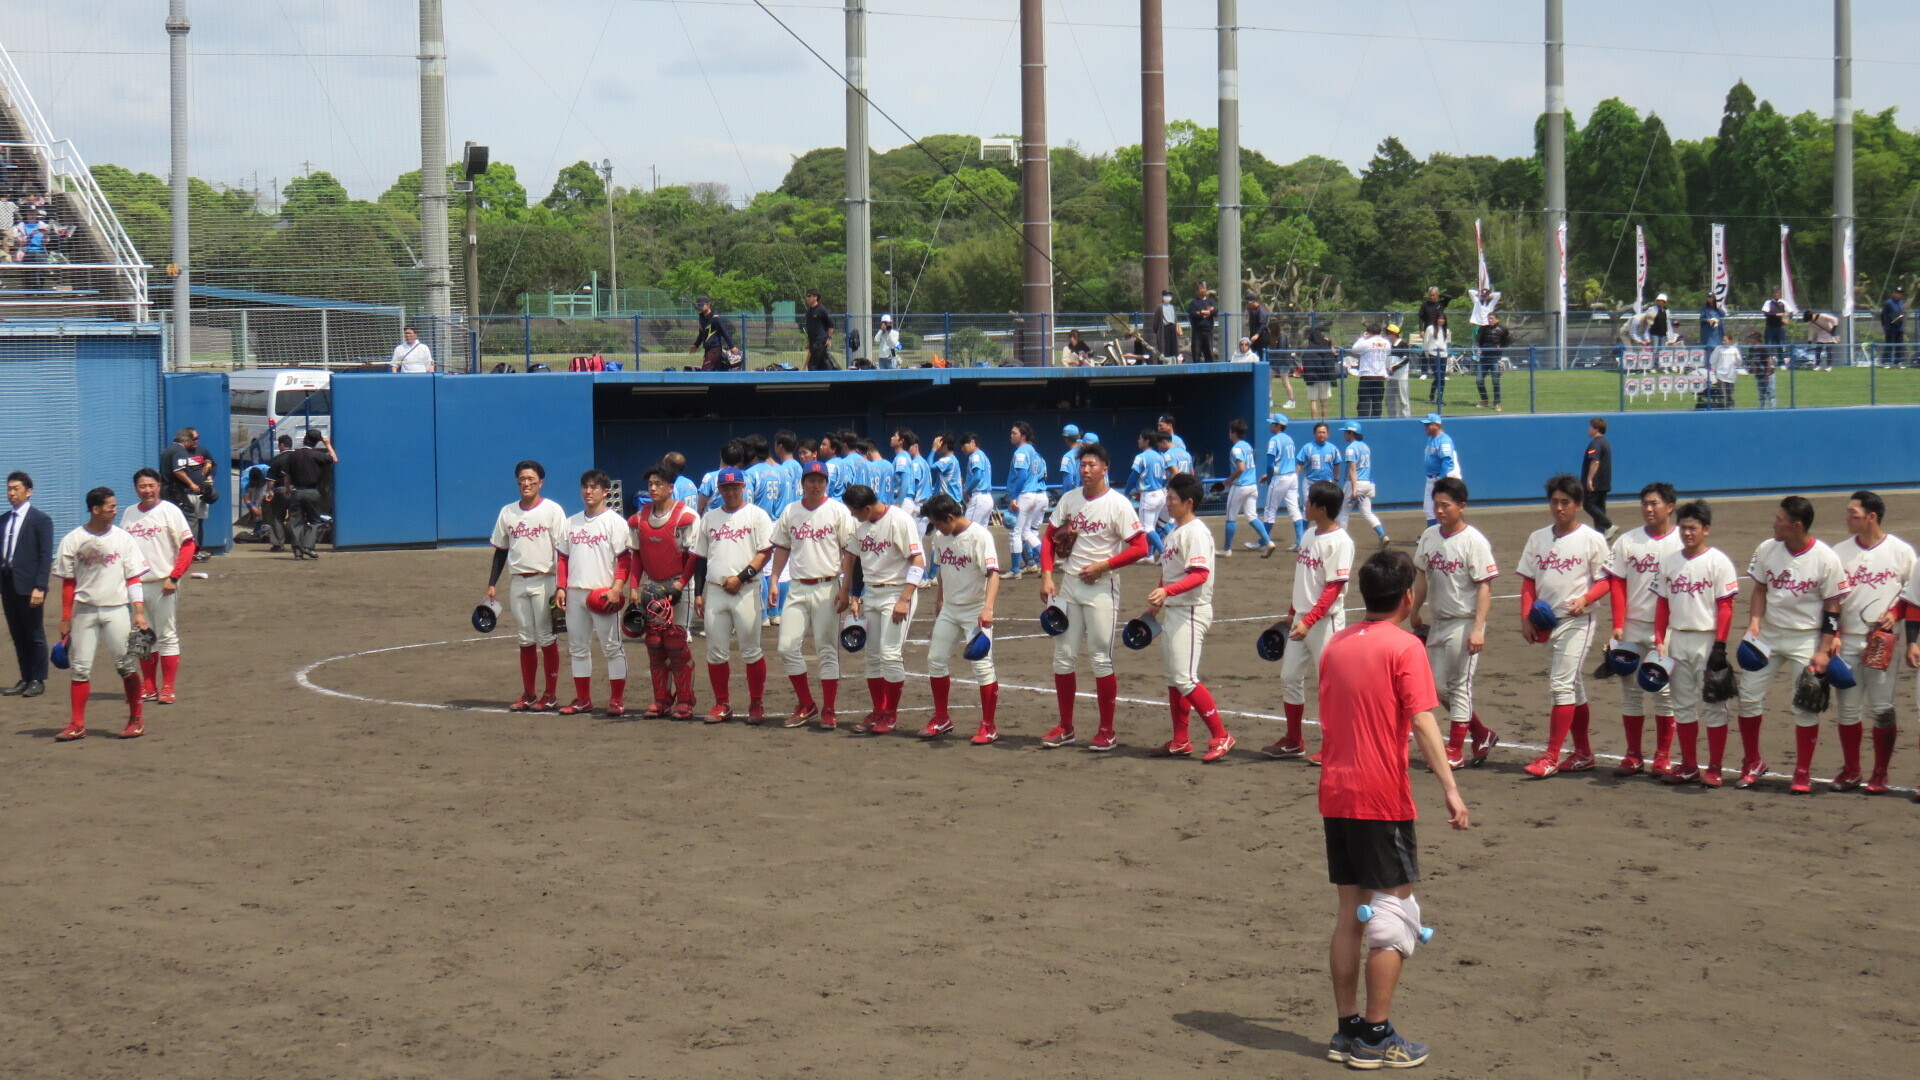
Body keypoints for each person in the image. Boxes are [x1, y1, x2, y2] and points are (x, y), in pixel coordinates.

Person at [1317, 549, 1470, 1070]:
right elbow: (1425, 724)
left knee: (1349, 913)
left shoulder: (1336, 645)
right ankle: (1377, 1037)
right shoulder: (1405, 648)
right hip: (1380, 798)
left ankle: (1346, 1029)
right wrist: (1450, 788)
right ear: (1408, 598)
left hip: (1336, 792)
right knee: (1393, 916)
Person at [1039, 439, 1150, 752]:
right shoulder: (1070, 499)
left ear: (1105, 469)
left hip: (1102, 587)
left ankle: (1107, 730)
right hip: (1071, 586)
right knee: (1063, 657)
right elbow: (1049, 539)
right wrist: (1047, 575)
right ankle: (1066, 727)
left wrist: (1103, 565)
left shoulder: (1118, 504)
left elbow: (1141, 546)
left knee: (1101, 658)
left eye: (1092, 465)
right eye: (1082, 465)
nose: (1085, 470)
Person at [1736, 496, 1849, 791]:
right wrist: (1755, 622)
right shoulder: (1766, 549)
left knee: (1806, 704)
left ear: (1796, 525)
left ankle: (1802, 771)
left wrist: (1824, 650)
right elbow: (1759, 590)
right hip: (1769, 635)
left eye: (1779, 519)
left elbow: (1833, 607)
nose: (1774, 524)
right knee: (1747, 697)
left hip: (1806, 637)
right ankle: (1752, 762)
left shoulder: (1825, 558)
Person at [1517, 474, 1616, 778]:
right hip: (1547, 623)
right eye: (1554, 502)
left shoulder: (1592, 539)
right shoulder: (1538, 537)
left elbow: (1606, 581)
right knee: (1573, 686)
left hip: (1578, 621)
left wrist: (1585, 599)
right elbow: (1529, 581)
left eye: (1565, 502)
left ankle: (1551, 756)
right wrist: (1526, 618)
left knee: (1560, 685)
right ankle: (1584, 753)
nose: (1558, 508)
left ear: (1577, 505)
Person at [1825, 491, 1912, 792]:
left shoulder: (1901, 552)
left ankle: (1880, 774)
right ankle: (1851, 770)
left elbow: (1913, 596)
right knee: (1847, 708)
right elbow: (1832, 598)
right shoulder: (1839, 552)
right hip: (1846, 642)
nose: (1847, 518)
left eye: (1853, 513)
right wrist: (1833, 635)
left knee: (1882, 707)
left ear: (1871, 516)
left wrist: (1895, 611)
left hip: (1883, 642)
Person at [1649, 500, 1740, 787]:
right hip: (1678, 639)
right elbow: (1662, 604)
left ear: (1706, 530)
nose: (1687, 533)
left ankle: (1714, 767)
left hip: (1706, 638)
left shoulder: (1718, 561)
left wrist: (1721, 646)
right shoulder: (1669, 562)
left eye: (1693, 528)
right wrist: (1660, 639)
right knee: (1683, 704)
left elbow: (1725, 607)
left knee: (1714, 704)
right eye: (1683, 527)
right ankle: (1688, 765)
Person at [51, 487, 154, 741]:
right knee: (80, 669)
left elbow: (133, 579)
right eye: (110, 507)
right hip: (84, 611)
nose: (115, 510)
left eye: (115, 506)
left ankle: (136, 720)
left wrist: (138, 612)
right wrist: (66, 619)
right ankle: (77, 724)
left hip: (117, 610)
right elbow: (68, 583)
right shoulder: (73, 540)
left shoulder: (123, 539)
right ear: (96, 509)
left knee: (125, 664)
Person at [1410, 477, 1499, 769]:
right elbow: (1422, 575)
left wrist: (1478, 629)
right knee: (1436, 688)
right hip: (1439, 621)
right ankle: (1482, 734)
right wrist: (1414, 610)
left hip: (1465, 621)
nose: (1439, 510)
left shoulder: (1474, 541)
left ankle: (1455, 750)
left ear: (1462, 507)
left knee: (1459, 686)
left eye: (1445, 505)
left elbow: (1484, 587)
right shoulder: (1429, 536)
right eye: (1436, 504)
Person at [1145, 473, 1234, 761]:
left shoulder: (1195, 532)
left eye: (1172, 498)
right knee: (1173, 678)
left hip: (1192, 611)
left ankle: (1221, 735)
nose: (1167, 503)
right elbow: (1169, 571)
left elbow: (1200, 574)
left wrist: (1167, 592)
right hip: (1175, 610)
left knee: (1185, 678)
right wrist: (1158, 601)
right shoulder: (1175, 531)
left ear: (1189, 502)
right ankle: (1181, 739)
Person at [1264, 480, 1354, 762]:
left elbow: (1333, 588)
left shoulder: (1341, 542)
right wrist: (1293, 614)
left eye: (1310, 502)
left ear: (1322, 508)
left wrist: (1310, 620)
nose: (1305, 505)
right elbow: (1302, 580)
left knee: (1330, 686)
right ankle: (1294, 740)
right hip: (1302, 620)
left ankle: (1335, 744)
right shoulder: (1309, 535)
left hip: (1325, 623)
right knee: (1289, 676)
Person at [1601, 483, 1683, 777]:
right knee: (1631, 690)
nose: (1648, 509)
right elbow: (1617, 584)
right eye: (1645, 504)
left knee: (1662, 691)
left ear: (1670, 507)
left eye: (1654, 504)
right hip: (1633, 627)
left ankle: (1663, 755)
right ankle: (1633, 754)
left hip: (1669, 629)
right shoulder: (1627, 541)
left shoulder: (1681, 543)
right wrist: (1618, 624)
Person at [769, 461, 856, 729]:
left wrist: (846, 588)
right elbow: (782, 546)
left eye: (820, 480)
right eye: (811, 480)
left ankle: (829, 709)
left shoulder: (837, 510)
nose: (815, 485)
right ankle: (807, 703)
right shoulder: (791, 510)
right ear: (802, 482)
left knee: (827, 648)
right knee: (786, 646)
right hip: (797, 586)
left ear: (827, 483)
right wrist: (773, 579)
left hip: (828, 586)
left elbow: (850, 552)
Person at [836, 484, 925, 735]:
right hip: (872, 594)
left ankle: (891, 714)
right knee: (872, 656)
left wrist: (905, 598)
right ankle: (878, 710)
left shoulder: (899, 520)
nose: (853, 516)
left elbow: (918, 560)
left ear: (866, 507)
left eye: (855, 512)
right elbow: (853, 559)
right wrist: (853, 594)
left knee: (889, 654)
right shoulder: (861, 526)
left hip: (897, 592)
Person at [692, 466, 775, 723]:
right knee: (716, 651)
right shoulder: (710, 518)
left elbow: (765, 552)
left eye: (734, 487)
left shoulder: (757, 516)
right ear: (719, 489)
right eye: (725, 487)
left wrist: (741, 577)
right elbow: (700, 558)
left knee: (751, 650)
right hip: (716, 590)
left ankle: (756, 704)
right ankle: (721, 704)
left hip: (747, 589)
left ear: (743, 487)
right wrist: (698, 593)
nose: (730, 491)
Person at [485, 460, 567, 713]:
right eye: (522, 479)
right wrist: (491, 584)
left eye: (531, 479)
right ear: (517, 482)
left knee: (546, 637)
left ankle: (550, 694)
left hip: (546, 581)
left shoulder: (552, 510)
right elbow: (501, 551)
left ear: (541, 482)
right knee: (525, 639)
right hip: (518, 581)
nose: (526, 483)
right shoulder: (508, 512)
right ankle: (529, 693)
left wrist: (562, 585)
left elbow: (563, 551)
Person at [920, 493, 1001, 743]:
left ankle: (988, 726)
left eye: (938, 522)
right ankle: (942, 718)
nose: (936, 528)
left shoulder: (980, 536)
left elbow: (993, 573)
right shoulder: (939, 538)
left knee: (982, 666)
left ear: (951, 517)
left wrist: (987, 608)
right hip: (950, 609)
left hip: (974, 609)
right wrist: (940, 600)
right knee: (935, 660)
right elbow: (943, 569)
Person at [624, 466, 701, 719]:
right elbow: (637, 556)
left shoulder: (686, 517)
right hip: (652, 588)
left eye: (658, 484)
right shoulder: (638, 519)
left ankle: (686, 700)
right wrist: (634, 588)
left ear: (671, 487)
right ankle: (661, 699)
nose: (653, 488)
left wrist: (679, 586)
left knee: (676, 644)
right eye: (650, 484)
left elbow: (694, 556)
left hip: (679, 586)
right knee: (655, 645)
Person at [553, 470, 632, 717]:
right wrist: (561, 586)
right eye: (585, 487)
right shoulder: (571, 522)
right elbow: (563, 558)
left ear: (605, 492)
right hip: (575, 593)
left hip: (603, 594)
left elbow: (624, 560)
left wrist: (617, 589)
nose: (589, 492)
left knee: (612, 647)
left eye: (594, 487)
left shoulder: (615, 522)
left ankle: (617, 699)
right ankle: (583, 699)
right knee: (577, 647)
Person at [120, 469, 196, 706]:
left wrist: (174, 577)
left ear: (159, 486)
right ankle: (149, 686)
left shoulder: (169, 511)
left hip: (164, 583)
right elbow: (122, 548)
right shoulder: (129, 514)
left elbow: (188, 545)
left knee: (166, 635)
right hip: (137, 585)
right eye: (142, 486)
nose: (147, 490)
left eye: (151, 485)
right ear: (135, 488)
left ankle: (168, 687)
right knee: (143, 637)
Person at [1, 472, 53, 698]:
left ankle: (38, 678)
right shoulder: (3, 520)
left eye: (16, 488)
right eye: (9, 489)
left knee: (34, 633)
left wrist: (40, 586)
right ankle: (25, 677)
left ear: (28, 491)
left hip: (30, 585)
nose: (12, 493)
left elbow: (44, 555)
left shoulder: (40, 520)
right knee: (17, 633)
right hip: (7, 584)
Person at [269, 429, 335, 560]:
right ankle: (308, 546)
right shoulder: (317, 455)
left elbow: (286, 474)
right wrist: (327, 444)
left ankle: (298, 552)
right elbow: (334, 459)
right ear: (317, 442)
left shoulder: (293, 455)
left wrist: (287, 488)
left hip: (297, 491)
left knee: (296, 522)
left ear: (304, 439)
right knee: (315, 521)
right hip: (312, 492)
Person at [1222, 419, 1274, 557]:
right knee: (1251, 516)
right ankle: (1268, 542)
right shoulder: (1247, 446)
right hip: (1252, 486)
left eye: (1230, 431)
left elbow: (1240, 468)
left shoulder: (1237, 448)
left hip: (1240, 486)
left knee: (1231, 518)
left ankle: (1226, 549)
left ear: (1233, 433)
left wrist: (1228, 480)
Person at [1005, 422, 1049, 577]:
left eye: (1014, 433)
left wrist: (1015, 497)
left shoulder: (1022, 451)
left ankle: (1015, 570)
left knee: (1016, 533)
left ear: (1023, 435)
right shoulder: (1034, 452)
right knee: (1027, 533)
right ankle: (1045, 561)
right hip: (1037, 494)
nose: (1011, 435)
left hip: (1026, 494)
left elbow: (1022, 475)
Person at [161, 428, 215, 553]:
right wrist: (192, 484)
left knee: (186, 519)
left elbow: (211, 463)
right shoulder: (180, 450)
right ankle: (191, 551)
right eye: (193, 439)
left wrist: (208, 476)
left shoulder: (169, 449)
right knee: (190, 518)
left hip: (170, 490)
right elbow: (178, 471)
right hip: (176, 491)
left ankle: (187, 550)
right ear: (186, 440)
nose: (195, 442)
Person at [1337, 422, 1389, 547]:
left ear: (1351, 433)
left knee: (1344, 512)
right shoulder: (1365, 447)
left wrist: (1354, 489)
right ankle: (1382, 535)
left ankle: (1340, 541)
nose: (1344, 434)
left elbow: (1352, 469)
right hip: (1366, 484)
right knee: (1367, 512)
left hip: (1355, 484)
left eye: (1346, 432)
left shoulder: (1351, 448)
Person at [1260, 413, 1302, 553]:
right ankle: (1299, 541)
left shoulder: (1274, 440)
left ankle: (1263, 541)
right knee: (1294, 510)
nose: (1271, 425)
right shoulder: (1289, 439)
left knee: (1270, 510)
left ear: (1278, 425)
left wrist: (1270, 478)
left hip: (1280, 478)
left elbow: (1270, 463)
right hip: (1292, 477)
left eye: (1273, 423)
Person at [1125, 429, 1169, 558]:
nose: (1138, 441)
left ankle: (1165, 554)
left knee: (1146, 528)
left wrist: (1126, 493)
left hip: (1149, 495)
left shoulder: (1141, 457)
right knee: (1152, 527)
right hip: (1160, 493)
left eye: (1140, 438)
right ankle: (1149, 555)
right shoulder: (1160, 457)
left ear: (1146, 441)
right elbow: (1164, 478)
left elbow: (1133, 477)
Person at [1420, 414, 1461, 528]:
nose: (1425, 427)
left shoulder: (1444, 440)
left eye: (1428, 424)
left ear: (1437, 425)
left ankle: (1458, 531)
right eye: (1425, 424)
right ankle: (1431, 535)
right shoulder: (1431, 439)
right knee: (1429, 509)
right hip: (1431, 479)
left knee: (1449, 507)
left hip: (1442, 479)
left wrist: (1442, 480)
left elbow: (1446, 461)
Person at [1581, 418, 1615, 540]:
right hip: (1603, 483)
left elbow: (1595, 461)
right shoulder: (1605, 441)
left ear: (1596, 429)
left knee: (1588, 504)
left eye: (1590, 426)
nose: (1588, 429)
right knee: (1599, 507)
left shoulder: (1596, 443)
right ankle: (1600, 535)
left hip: (1595, 483)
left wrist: (1589, 479)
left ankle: (1608, 526)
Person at [1349, 324, 1392, 419]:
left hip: (1367, 375)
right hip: (1380, 375)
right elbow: (1388, 352)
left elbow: (1354, 349)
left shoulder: (1366, 342)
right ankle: (1376, 420)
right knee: (1377, 401)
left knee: (1364, 400)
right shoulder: (1387, 343)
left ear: (1368, 332)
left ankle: (1363, 420)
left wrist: (1362, 338)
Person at [690, 296, 738, 371]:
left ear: (709, 305)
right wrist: (696, 345)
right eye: (698, 305)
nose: (700, 307)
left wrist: (732, 346)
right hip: (707, 349)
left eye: (702, 305)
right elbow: (702, 334)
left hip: (715, 349)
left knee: (706, 370)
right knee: (715, 370)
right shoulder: (701, 318)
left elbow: (724, 332)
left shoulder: (715, 318)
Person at [1301, 324, 1339, 419]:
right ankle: (1324, 420)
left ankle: (1314, 421)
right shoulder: (1325, 348)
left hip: (1312, 378)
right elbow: (1331, 361)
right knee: (1324, 401)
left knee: (1313, 401)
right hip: (1324, 377)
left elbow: (1304, 362)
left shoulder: (1308, 350)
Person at [1473, 313, 1509, 412]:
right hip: (1484, 358)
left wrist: (1501, 346)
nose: (1490, 320)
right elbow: (1478, 340)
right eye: (1489, 319)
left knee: (1495, 381)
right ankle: (1484, 400)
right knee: (1479, 380)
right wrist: (1479, 349)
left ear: (1497, 320)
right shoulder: (1483, 329)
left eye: (1492, 319)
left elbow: (1507, 341)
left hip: (1495, 358)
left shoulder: (1502, 329)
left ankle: (1497, 403)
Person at [12, 206, 51, 288]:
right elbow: (18, 241)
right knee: (35, 257)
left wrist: (45, 235)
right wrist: (30, 235)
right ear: (26, 214)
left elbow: (47, 241)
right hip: (26, 252)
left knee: (38, 259)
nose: (32, 216)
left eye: (34, 213)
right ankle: (47, 269)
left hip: (41, 251)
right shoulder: (20, 226)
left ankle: (39, 288)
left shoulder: (43, 225)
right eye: (30, 214)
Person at [961, 433, 994, 527]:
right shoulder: (983, 455)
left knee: (967, 529)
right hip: (987, 498)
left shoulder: (976, 456)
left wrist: (966, 490)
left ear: (972, 442)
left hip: (979, 498)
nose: (962, 449)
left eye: (964, 445)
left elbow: (977, 476)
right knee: (982, 532)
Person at [803, 288, 837, 370]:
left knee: (812, 365)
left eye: (809, 296)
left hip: (820, 341)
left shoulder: (821, 310)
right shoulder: (809, 311)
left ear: (815, 297)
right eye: (807, 296)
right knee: (823, 363)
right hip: (812, 341)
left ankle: (813, 382)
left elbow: (831, 325)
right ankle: (833, 375)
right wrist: (809, 342)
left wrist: (829, 338)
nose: (807, 298)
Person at [1742, 329, 1776, 409]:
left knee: (1770, 393)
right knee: (1761, 394)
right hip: (1759, 375)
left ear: (1756, 339)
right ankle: (1761, 409)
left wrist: (1767, 374)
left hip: (1767, 374)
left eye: (1752, 338)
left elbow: (1769, 361)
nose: (1750, 339)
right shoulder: (1751, 349)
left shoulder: (1763, 348)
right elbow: (1752, 361)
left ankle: (1773, 409)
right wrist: (1754, 371)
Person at [1423, 315, 1451, 408]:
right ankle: (1434, 397)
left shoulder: (1446, 330)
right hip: (1433, 355)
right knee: (1437, 375)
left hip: (1443, 355)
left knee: (1441, 377)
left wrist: (1446, 353)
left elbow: (1446, 343)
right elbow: (1425, 342)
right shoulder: (1430, 328)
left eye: (1443, 319)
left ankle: (1438, 398)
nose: (1441, 320)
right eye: (1439, 318)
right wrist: (1427, 354)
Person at [1147, 289, 1182, 361]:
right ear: (1163, 297)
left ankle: (1173, 359)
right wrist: (1156, 330)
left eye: (1169, 295)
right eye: (1166, 295)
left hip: (1172, 327)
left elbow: (1175, 319)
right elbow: (1156, 321)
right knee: (1164, 347)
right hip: (1164, 328)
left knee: (1173, 346)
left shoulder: (1172, 307)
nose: (1168, 297)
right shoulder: (1159, 307)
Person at [1186, 282, 1216, 363]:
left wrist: (1201, 312)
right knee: (1196, 354)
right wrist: (1206, 313)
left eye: (1204, 288)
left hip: (1208, 331)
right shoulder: (1194, 302)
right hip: (1197, 332)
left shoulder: (1211, 301)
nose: (1203, 290)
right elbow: (1193, 314)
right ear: (1197, 291)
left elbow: (1214, 312)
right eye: (1201, 288)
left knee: (1209, 354)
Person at [1761, 286, 1791, 367]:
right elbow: (1766, 314)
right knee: (1769, 346)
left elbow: (1790, 312)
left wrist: (1788, 319)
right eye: (1774, 292)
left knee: (1781, 345)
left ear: (1780, 293)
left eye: (1777, 292)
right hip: (1770, 327)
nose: (1775, 294)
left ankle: (1781, 363)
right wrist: (1777, 314)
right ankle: (1769, 363)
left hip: (1779, 328)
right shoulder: (1768, 302)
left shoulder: (1783, 303)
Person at [1880, 286, 1905, 366]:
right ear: (1893, 293)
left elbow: (1902, 313)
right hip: (1890, 327)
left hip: (1899, 327)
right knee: (1889, 344)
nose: (1899, 294)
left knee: (1899, 345)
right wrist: (1884, 325)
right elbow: (1883, 315)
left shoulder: (1901, 302)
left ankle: (1898, 361)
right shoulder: (1888, 303)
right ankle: (1887, 361)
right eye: (1897, 293)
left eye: (1900, 293)